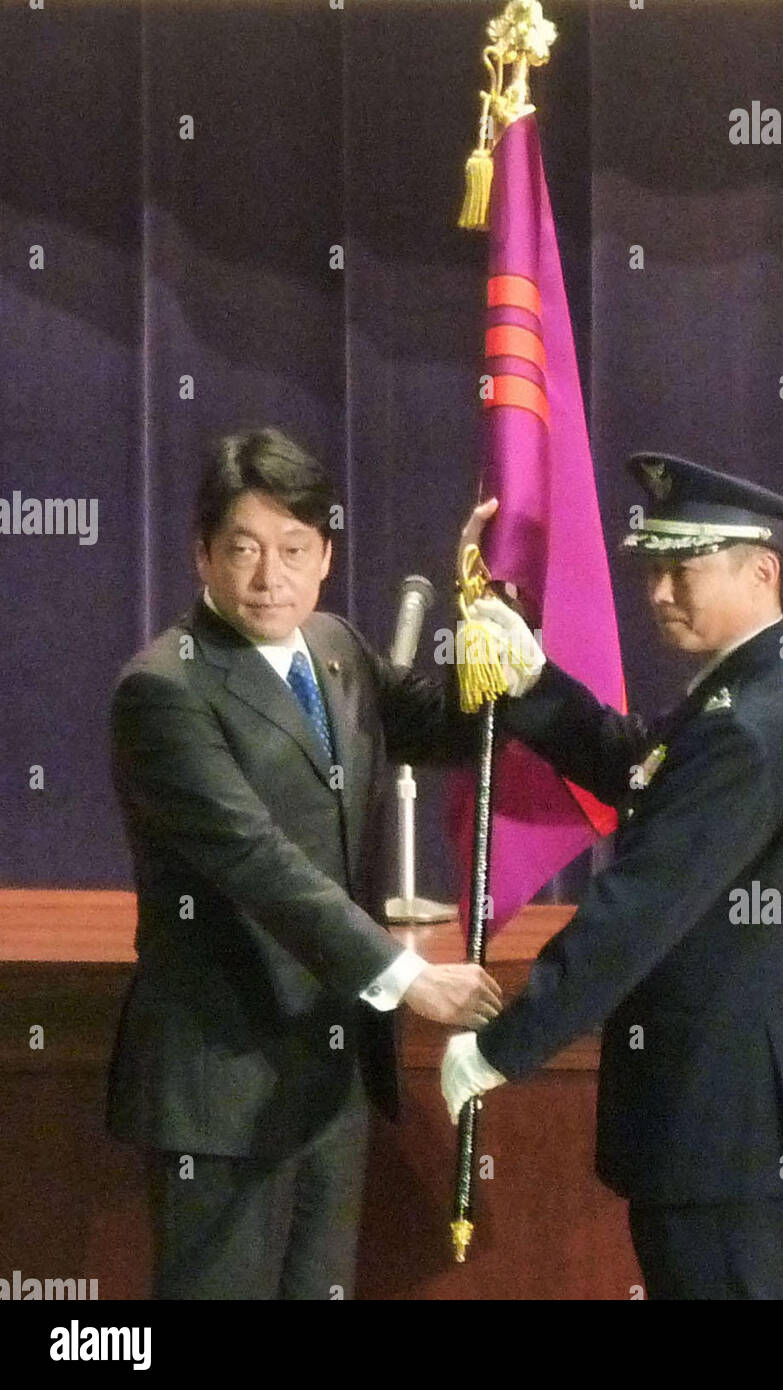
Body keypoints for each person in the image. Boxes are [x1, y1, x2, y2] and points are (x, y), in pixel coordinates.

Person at [442, 452, 783, 1300]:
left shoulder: (753, 722)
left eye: (684, 567)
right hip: (742, 1116)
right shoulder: (762, 687)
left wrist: (502, 1046)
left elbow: (639, 910)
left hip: (722, 1127)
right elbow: (644, 766)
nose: (659, 591)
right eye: (652, 568)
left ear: (762, 570)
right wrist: (531, 680)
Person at [107, 426, 502, 1300]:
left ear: (325, 554)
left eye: (293, 549)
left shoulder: (332, 645)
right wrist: (408, 977)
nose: (267, 577)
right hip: (224, 1087)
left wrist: (500, 617)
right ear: (201, 554)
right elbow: (261, 864)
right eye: (243, 549)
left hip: (330, 1080)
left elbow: (454, 723)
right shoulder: (164, 691)